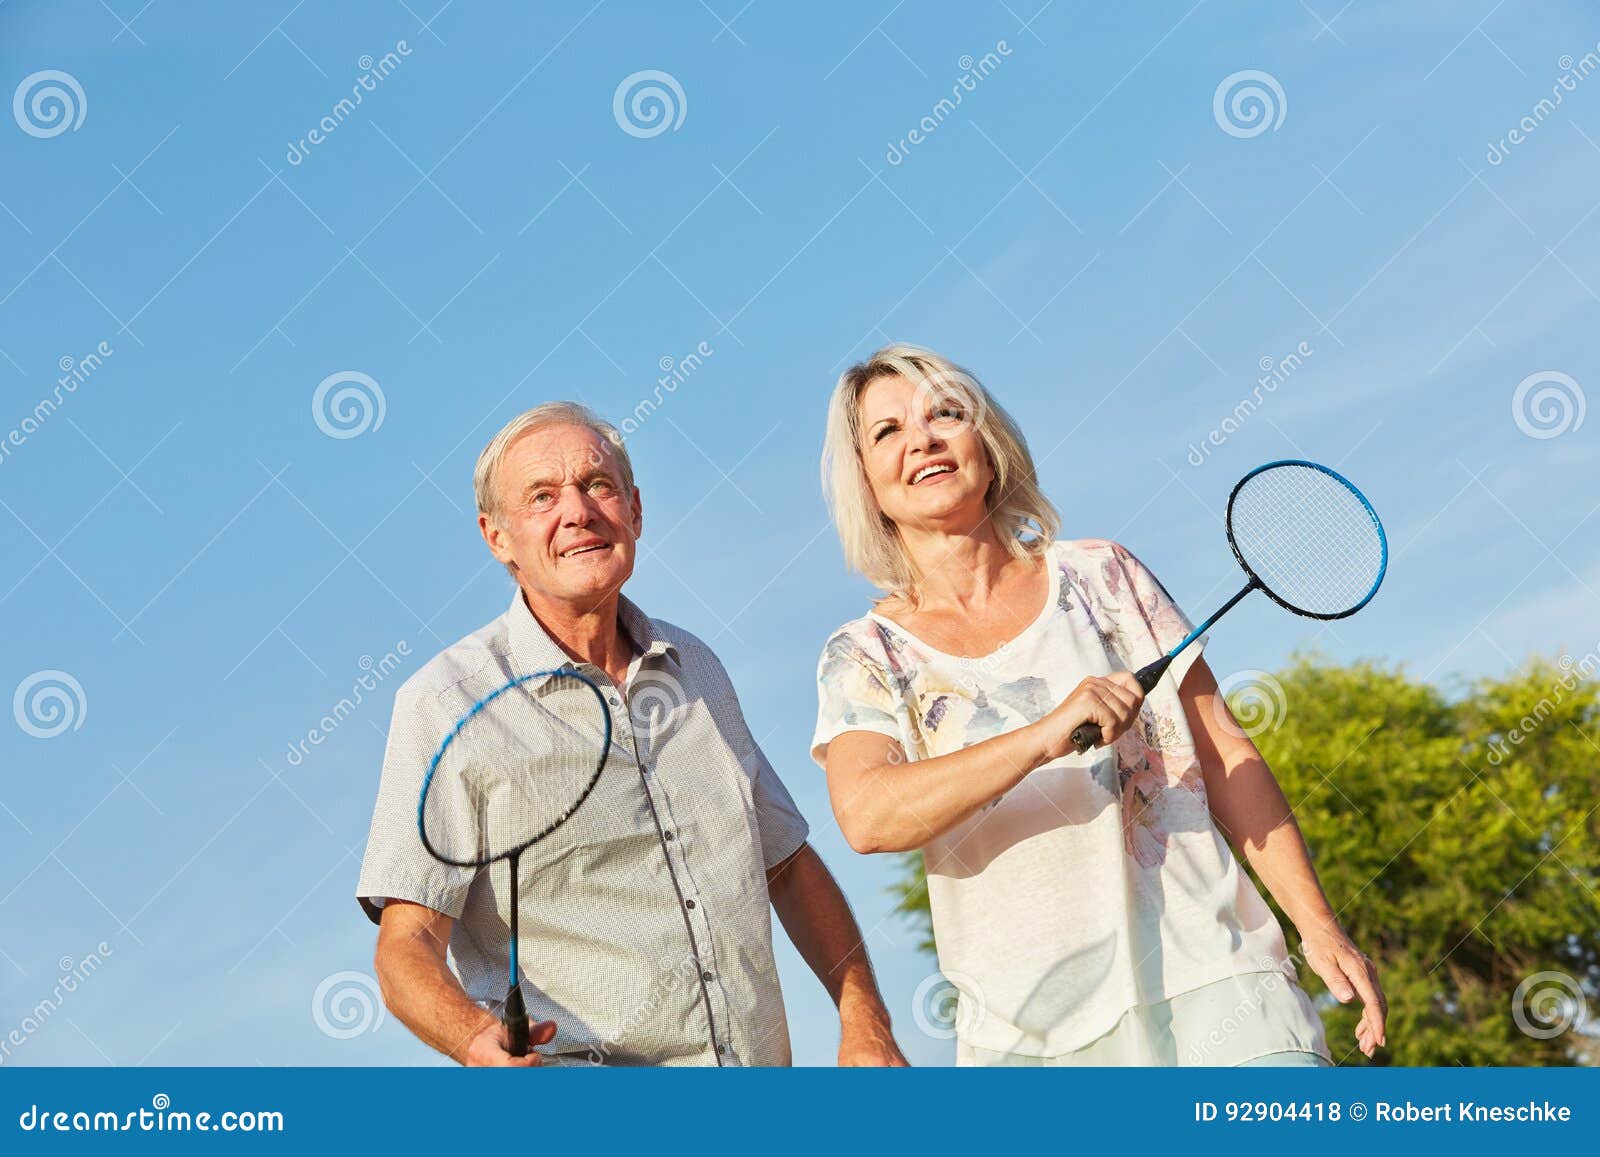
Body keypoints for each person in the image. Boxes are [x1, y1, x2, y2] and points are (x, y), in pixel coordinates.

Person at [810, 344, 1387, 1066]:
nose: (922, 438)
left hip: (1219, 982)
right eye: (886, 431)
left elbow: (1226, 752)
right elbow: (867, 815)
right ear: (864, 479)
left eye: (945, 414)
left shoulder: (1103, 574)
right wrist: (1042, 736)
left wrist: (1318, 923)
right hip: (1031, 1041)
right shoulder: (865, 653)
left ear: (987, 442)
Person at [357, 401, 905, 1067]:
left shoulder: (696, 666)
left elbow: (787, 866)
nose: (578, 511)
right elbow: (406, 942)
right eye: (541, 496)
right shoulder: (446, 705)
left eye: (598, 485)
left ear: (635, 511)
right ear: (496, 537)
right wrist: (474, 1038)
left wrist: (864, 1019)